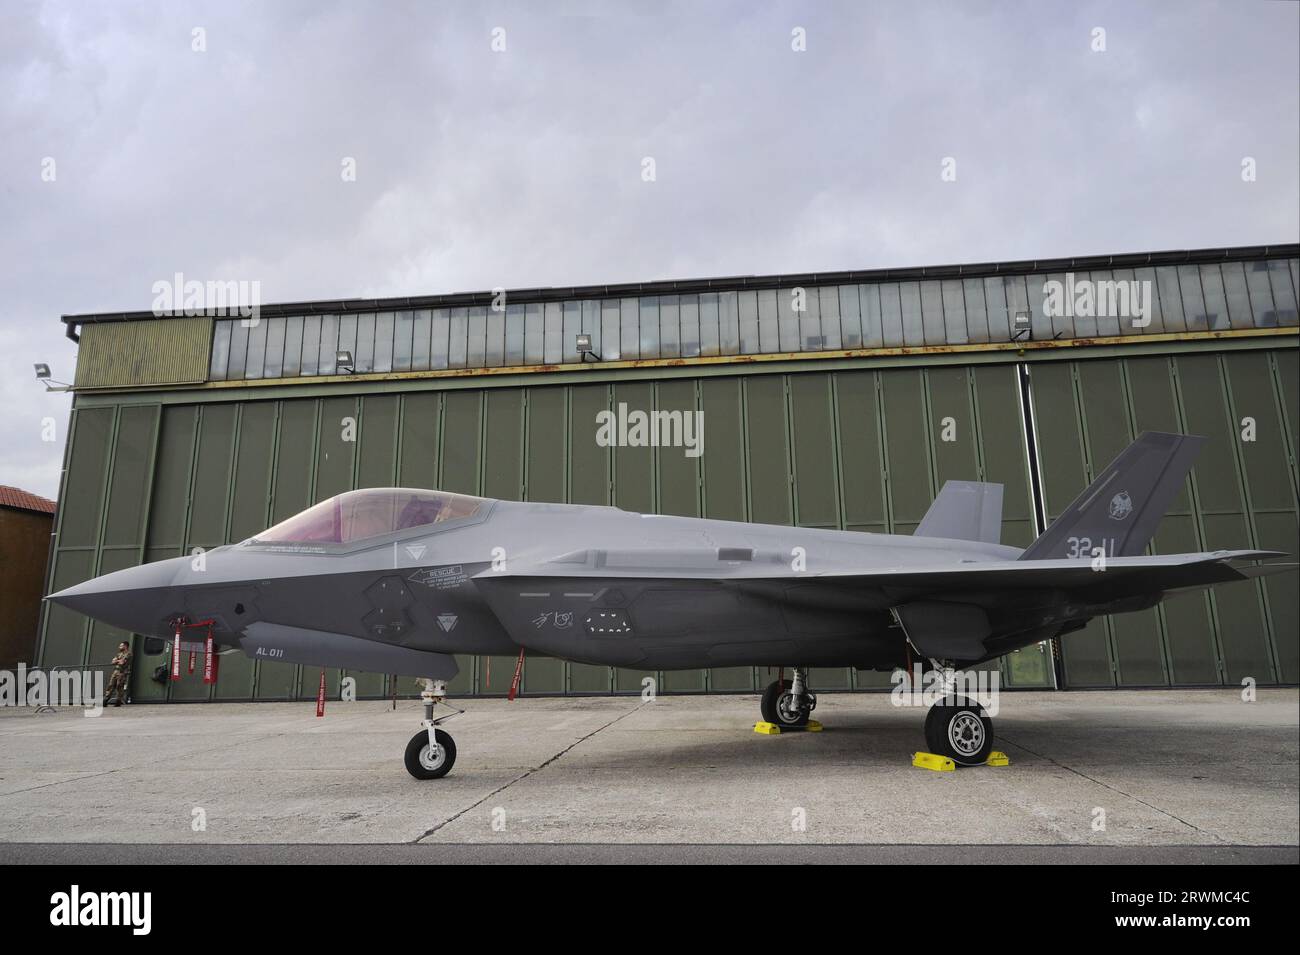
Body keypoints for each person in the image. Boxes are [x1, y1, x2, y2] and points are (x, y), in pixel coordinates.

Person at [105, 641, 132, 707]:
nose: (119, 647)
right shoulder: (119, 654)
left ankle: (118, 701)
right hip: (116, 671)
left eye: (121, 646)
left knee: (119, 686)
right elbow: (112, 662)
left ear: (125, 646)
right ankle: (105, 700)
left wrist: (117, 661)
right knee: (111, 685)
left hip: (122, 672)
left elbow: (122, 662)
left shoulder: (129, 654)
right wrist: (118, 661)